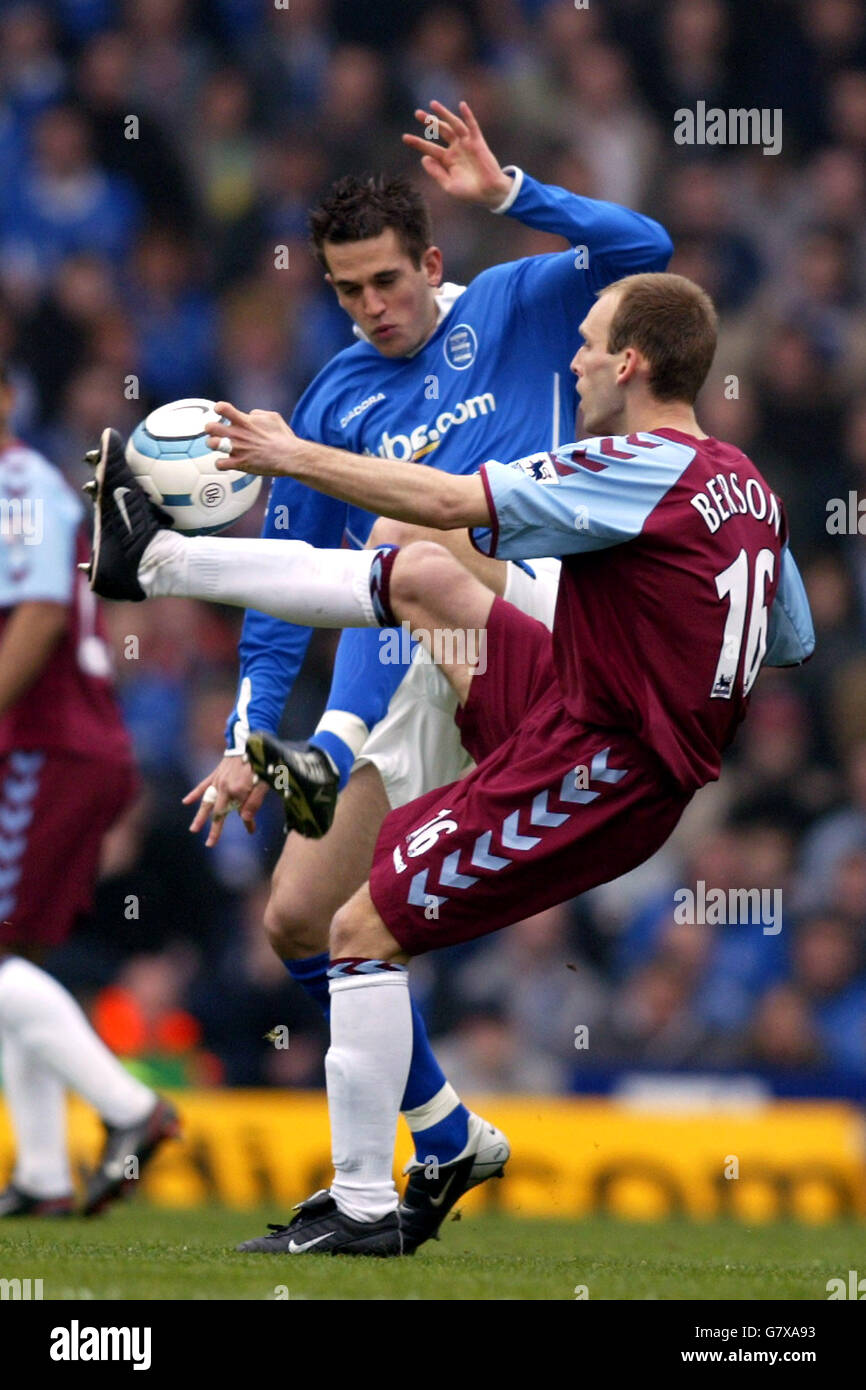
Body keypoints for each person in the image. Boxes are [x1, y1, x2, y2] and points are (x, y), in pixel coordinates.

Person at [84, 270, 814, 1255]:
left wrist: (292, 455)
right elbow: (788, 636)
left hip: (601, 765)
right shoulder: (744, 484)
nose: (574, 356)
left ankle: (362, 1205)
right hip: (576, 695)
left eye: (590, 340)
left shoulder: (638, 467)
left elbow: (441, 487)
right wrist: (642, 632)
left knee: (359, 925)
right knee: (424, 567)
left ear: (631, 363)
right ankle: (157, 562)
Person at [181, 100, 673, 1248]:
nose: (371, 308)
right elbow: (281, 577)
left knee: (416, 545)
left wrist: (512, 197)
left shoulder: (517, 302)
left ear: (432, 261)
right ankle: (445, 1140)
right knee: (302, 921)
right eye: (347, 290)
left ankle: (333, 749)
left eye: (388, 282)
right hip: (409, 661)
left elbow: (644, 254)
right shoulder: (331, 400)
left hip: (535, 618)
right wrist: (246, 736)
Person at [0, 363, 178, 1218]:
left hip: (46, 747)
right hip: (57, 748)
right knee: (16, 962)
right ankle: (40, 1174)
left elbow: (36, 613)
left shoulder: (19, 484)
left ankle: (133, 1110)